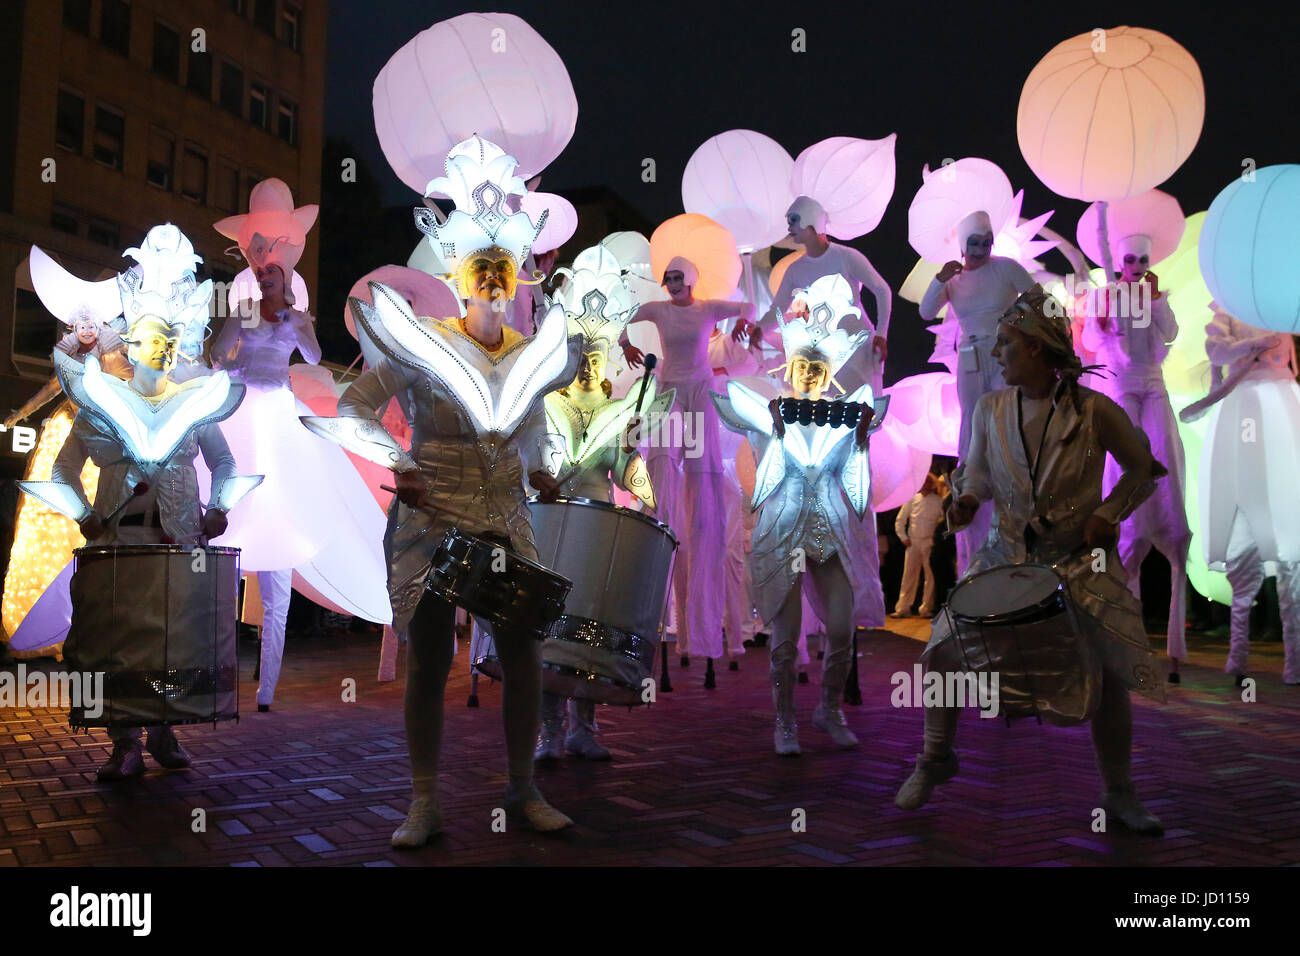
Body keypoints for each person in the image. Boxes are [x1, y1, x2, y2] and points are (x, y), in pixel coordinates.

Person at [321, 137, 581, 846]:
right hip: (432, 516)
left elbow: (533, 435)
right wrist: (396, 462)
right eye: (480, 266)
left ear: (518, 274)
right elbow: (353, 406)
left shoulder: (532, 356)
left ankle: (524, 788)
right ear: (460, 272)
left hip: (505, 515)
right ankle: (425, 800)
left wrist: (542, 470)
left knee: (523, 652)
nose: (493, 279)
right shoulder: (421, 341)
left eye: (504, 266)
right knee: (430, 658)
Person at [895, 286, 1166, 835]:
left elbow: (1143, 469)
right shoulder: (991, 409)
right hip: (1006, 553)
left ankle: (1119, 792)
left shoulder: (1095, 409)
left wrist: (1108, 515)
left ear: (1037, 349)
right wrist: (966, 501)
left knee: (1112, 672)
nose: (997, 355)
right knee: (940, 651)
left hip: (1077, 560)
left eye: (1006, 345)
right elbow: (974, 474)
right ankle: (935, 756)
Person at [39, 225, 254, 781]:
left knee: (175, 634)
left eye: (168, 337)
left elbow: (225, 465)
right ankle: (124, 741)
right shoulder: (101, 403)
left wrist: (220, 508)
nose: (158, 347)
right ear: (130, 340)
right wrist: (85, 515)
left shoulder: (196, 399)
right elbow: (63, 470)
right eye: (147, 335)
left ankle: (164, 730)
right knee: (118, 640)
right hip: (116, 542)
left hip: (179, 541)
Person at [212, 178, 391, 711]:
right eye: (261, 268)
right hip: (243, 421)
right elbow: (220, 357)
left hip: (281, 426)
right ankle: (218, 675)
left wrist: (293, 316)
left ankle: (266, 687)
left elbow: (313, 357)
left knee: (280, 561)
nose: (268, 274)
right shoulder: (241, 315)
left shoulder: (294, 317)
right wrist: (236, 325)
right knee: (223, 548)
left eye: (276, 270)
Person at [714, 274, 877, 755]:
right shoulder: (769, 409)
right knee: (784, 639)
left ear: (829, 372)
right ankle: (784, 722)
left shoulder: (846, 414)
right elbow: (764, 482)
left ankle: (828, 709)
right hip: (782, 531)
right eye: (802, 363)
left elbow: (858, 491)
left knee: (843, 627)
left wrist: (862, 443)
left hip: (830, 530)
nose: (808, 372)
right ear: (790, 364)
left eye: (817, 366)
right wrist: (778, 433)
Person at [534, 244, 672, 760]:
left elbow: (622, 474)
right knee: (546, 628)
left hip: (594, 527)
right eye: (581, 355)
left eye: (596, 357)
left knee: (587, 626)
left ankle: (583, 728)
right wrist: (541, 478)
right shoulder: (544, 403)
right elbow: (530, 458)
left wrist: (632, 448)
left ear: (607, 357)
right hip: (549, 522)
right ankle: (548, 731)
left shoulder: (619, 408)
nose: (588, 365)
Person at [620, 257, 751, 676]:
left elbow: (744, 306)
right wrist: (624, 342)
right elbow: (625, 313)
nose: (673, 284)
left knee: (702, 485)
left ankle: (707, 631)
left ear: (691, 280)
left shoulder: (707, 308)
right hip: (671, 394)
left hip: (699, 393)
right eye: (669, 279)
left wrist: (748, 328)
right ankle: (662, 609)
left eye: (679, 278)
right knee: (664, 478)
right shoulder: (658, 311)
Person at [1077, 194, 1190, 677]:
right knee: (1125, 469)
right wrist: (1104, 326)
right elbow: (1096, 341)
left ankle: (1174, 640)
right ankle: (1124, 630)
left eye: (1142, 261)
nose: (1136, 267)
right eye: (1129, 260)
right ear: (1119, 263)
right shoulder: (1107, 295)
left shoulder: (1152, 297)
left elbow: (1169, 334)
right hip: (1125, 390)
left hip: (1153, 387)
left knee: (1163, 461)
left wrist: (1156, 300)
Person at [1181, 307, 1300, 685]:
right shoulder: (1226, 311)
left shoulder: (1282, 309)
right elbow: (1217, 351)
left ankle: (1294, 657)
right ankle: (1238, 652)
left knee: (1288, 537)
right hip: (1243, 410)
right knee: (1242, 524)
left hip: (1282, 408)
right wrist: (1255, 344)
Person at [919, 211, 1035, 574]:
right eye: (975, 242)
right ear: (963, 244)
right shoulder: (953, 279)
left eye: (987, 241)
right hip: (969, 355)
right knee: (971, 427)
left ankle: (1008, 482)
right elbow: (925, 311)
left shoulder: (1006, 268)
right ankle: (970, 484)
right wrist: (940, 280)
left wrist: (1029, 334)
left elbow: (1040, 300)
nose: (982, 248)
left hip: (1004, 351)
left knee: (1003, 419)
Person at [744, 196, 892, 393]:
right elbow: (777, 309)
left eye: (794, 221)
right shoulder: (796, 269)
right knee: (832, 412)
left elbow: (882, 290)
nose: (790, 228)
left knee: (863, 408)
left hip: (858, 346)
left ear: (809, 220)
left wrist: (881, 334)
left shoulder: (846, 257)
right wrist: (760, 330)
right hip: (825, 352)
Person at [891, 473, 944, 618]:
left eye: (928, 482)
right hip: (913, 542)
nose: (926, 484)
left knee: (929, 577)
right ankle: (903, 607)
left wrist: (936, 539)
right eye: (924, 481)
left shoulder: (939, 501)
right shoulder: (912, 499)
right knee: (908, 576)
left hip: (929, 542)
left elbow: (943, 520)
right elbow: (900, 520)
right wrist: (903, 537)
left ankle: (926, 608)